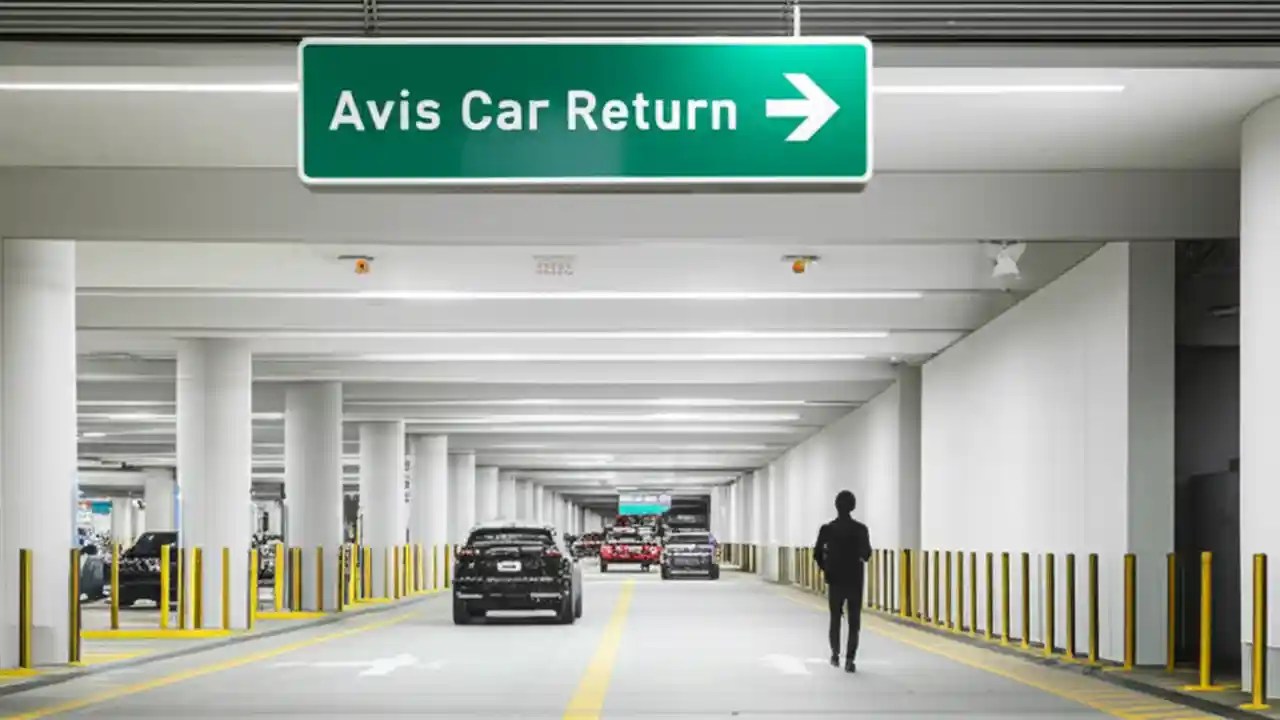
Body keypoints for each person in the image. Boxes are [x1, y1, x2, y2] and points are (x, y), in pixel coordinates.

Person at [814, 490, 872, 673]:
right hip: (855, 579)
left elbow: (816, 554)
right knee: (854, 621)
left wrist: (826, 568)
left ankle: (835, 654)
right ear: (853, 506)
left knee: (835, 618)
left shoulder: (827, 529)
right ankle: (850, 659)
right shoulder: (861, 529)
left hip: (835, 579)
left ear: (836, 506)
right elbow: (867, 554)